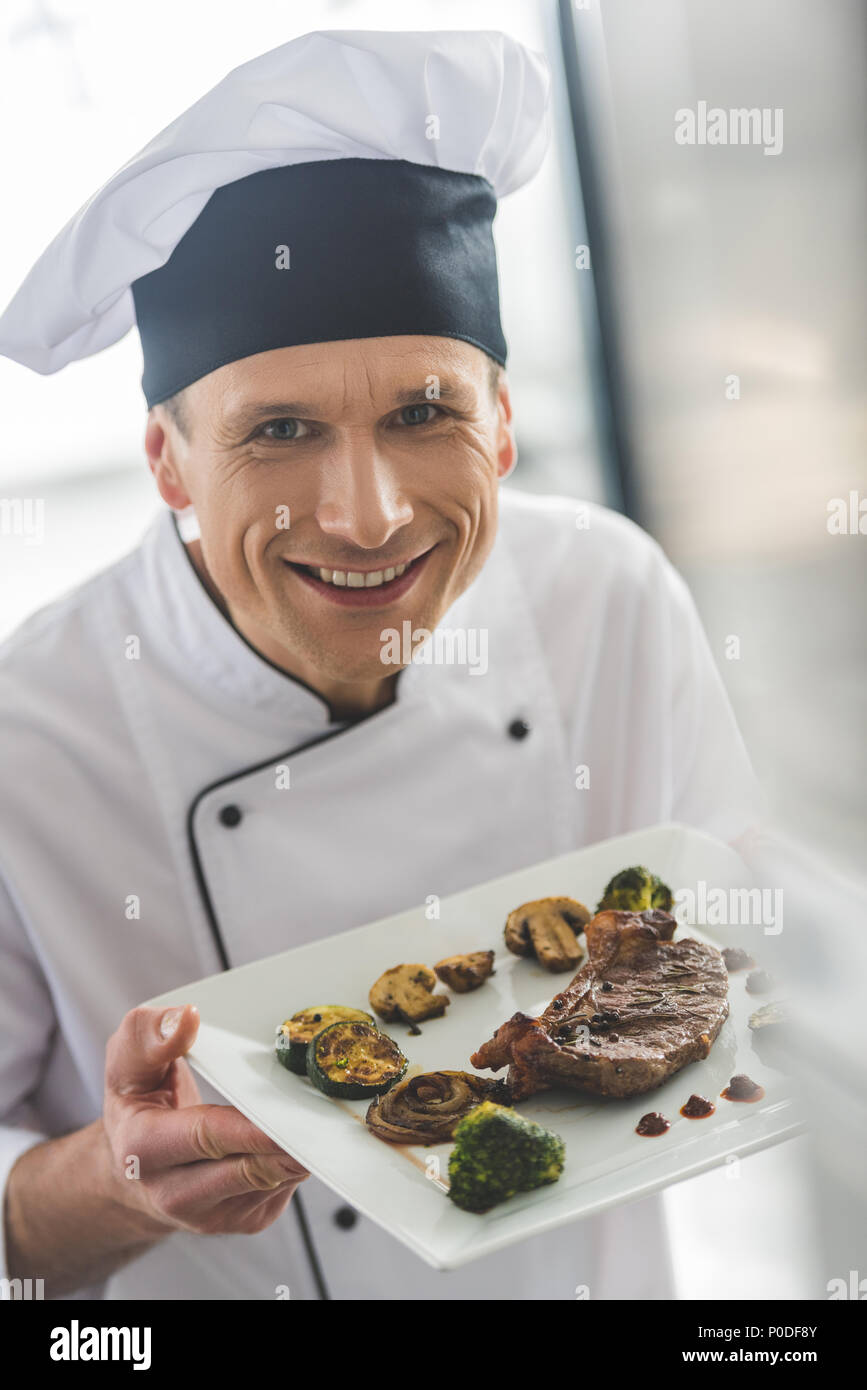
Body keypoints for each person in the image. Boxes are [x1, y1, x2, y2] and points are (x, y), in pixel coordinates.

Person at [0, 29, 762, 1301]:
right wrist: (111, 1179)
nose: (366, 516)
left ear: (503, 424)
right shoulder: (30, 736)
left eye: (424, 414)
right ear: (170, 462)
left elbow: (743, 942)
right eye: (280, 432)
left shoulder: (607, 597)